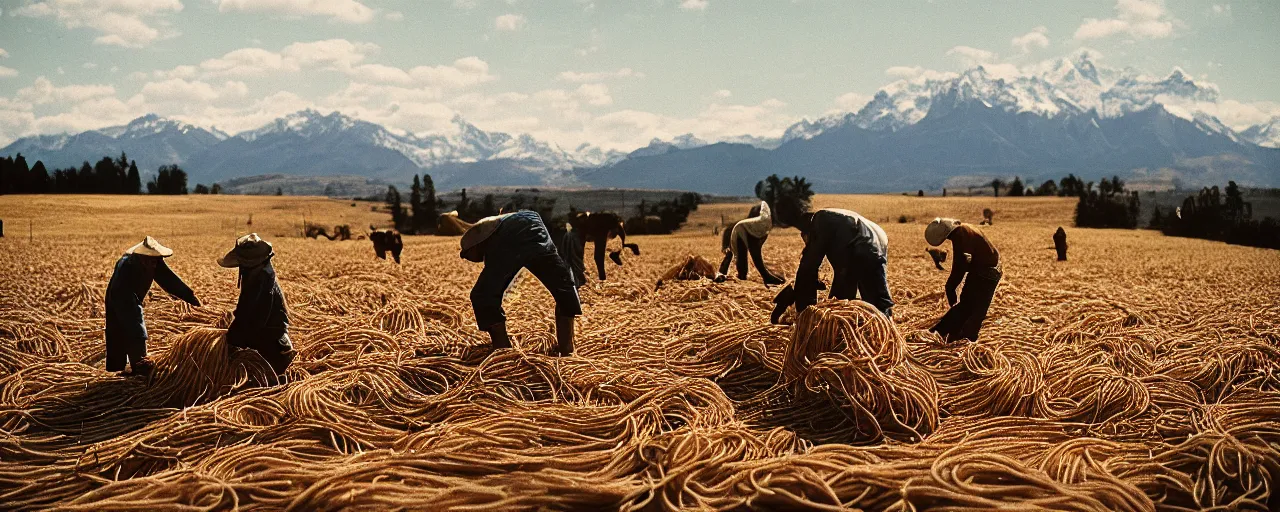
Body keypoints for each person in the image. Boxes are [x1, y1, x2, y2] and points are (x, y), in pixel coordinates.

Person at [461, 210, 581, 356]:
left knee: (482, 295)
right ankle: (567, 349)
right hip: (535, 222)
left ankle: (502, 350)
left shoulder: (494, 239)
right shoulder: (493, 230)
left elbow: (490, 285)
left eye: (467, 255)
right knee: (563, 286)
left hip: (511, 230)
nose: (469, 259)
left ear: (474, 246)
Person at [105, 236, 201, 376]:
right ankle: (138, 365)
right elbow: (124, 297)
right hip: (119, 294)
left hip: (132, 295)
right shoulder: (126, 265)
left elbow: (170, 281)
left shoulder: (154, 261)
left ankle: (136, 363)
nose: (153, 264)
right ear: (141, 257)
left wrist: (192, 299)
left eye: (155, 261)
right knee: (131, 328)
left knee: (134, 326)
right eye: (149, 261)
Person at [792, 208, 894, 318]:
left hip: (858, 241)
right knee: (878, 298)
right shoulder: (834, 217)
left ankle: (836, 328)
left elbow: (809, 265)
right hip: (878, 236)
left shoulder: (821, 219)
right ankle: (886, 323)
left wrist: (802, 305)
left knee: (839, 305)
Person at [218, 233, 294, 378]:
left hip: (272, 348)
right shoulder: (261, 275)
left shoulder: (263, 283)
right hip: (271, 340)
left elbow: (253, 322)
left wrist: (229, 341)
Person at [925, 218, 1001, 342]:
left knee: (974, 310)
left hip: (987, 272)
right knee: (969, 305)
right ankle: (948, 332)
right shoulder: (964, 228)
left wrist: (950, 287)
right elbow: (963, 263)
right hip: (987, 269)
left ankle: (963, 339)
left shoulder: (960, 237)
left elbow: (959, 266)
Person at [715, 201, 785, 285]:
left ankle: (724, 275)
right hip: (738, 233)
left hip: (739, 232)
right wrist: (767, 276)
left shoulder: (758, 227)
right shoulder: (755, 228)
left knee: (734, 256)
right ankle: (732, 277)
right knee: (740, 258)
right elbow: (756, 256)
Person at [566, 210, 639, 282]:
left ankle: (604, 274)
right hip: (609, 227)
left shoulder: (599, 226)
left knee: (599, 256)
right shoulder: (593, 225)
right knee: (601, 254)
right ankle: (614, 256)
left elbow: (598, 255)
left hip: (606, 228)